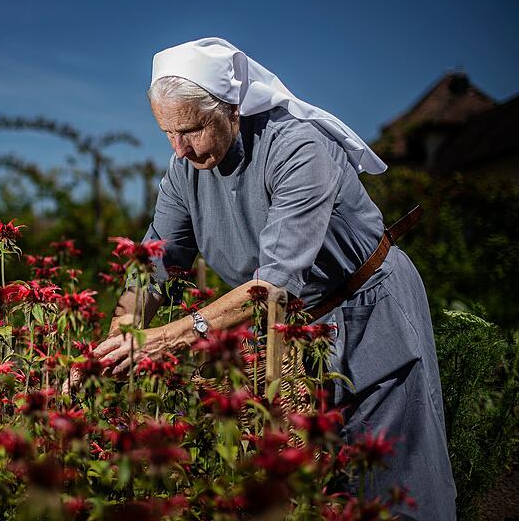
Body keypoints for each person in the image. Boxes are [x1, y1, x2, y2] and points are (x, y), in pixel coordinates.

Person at [83, 38, 456, 519]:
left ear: (231, 110)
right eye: (167, 133)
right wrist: (118, 339)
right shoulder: (184, 172)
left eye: (192, 129)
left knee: (392, 475)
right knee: (310, 479)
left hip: (365, 308)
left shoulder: (298, 147)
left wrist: (172, 337)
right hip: (292, 329)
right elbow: (154, 266)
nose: (179, 147)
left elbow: (277, 283)